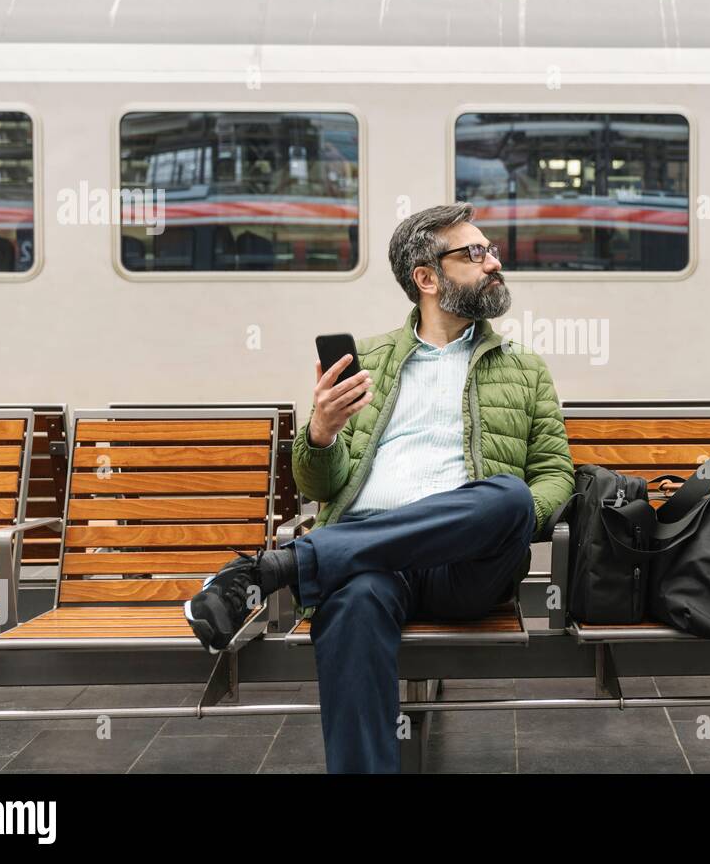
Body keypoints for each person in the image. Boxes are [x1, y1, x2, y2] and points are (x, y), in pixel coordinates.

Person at [184, 201, 575, 772]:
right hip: (369, 561)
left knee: (510, 497)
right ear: (427, 279)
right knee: (355, 601)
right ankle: (297, 567)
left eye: (490, 250)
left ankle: (276, 569)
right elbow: (321, 482)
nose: (493, 262)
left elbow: (556, 476)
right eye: (475, 252)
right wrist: (318, 434)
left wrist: (510, 516)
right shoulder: (366, 359)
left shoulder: (524, 368)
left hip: (467, 562)